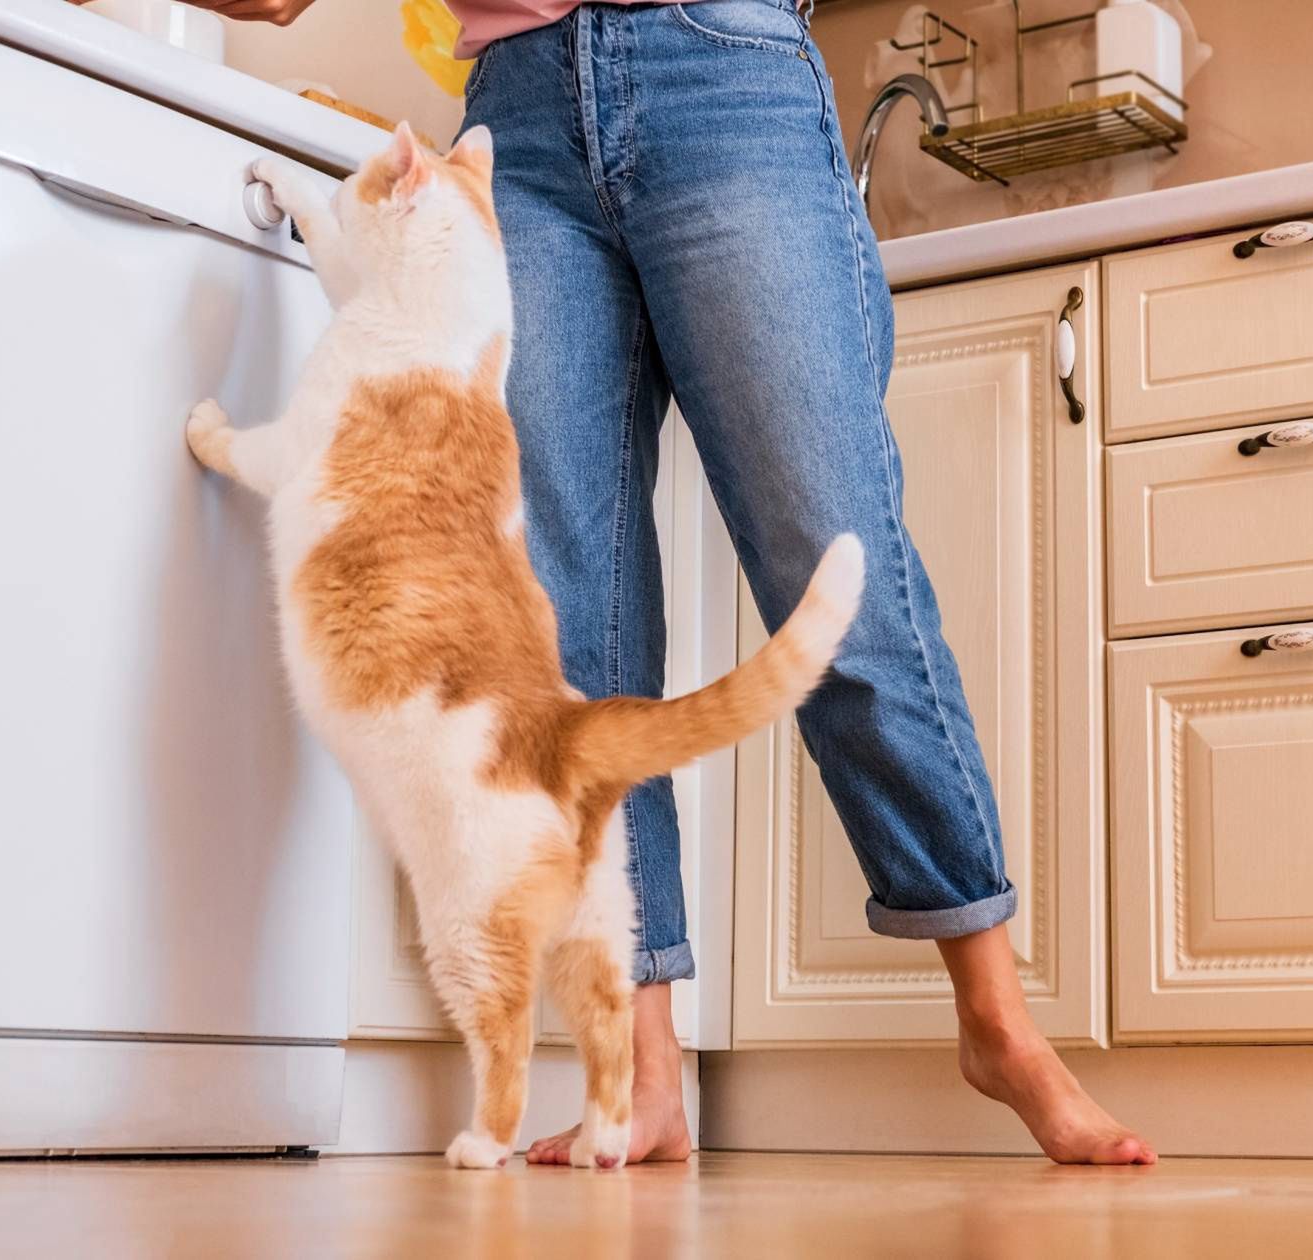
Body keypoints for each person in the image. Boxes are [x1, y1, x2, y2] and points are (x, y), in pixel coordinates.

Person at [179, 0, 1154, 1166]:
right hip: (516, 121)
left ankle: (997, 1023)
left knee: (834, 561)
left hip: (722, 74)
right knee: (565, 620)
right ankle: (642, 1081)